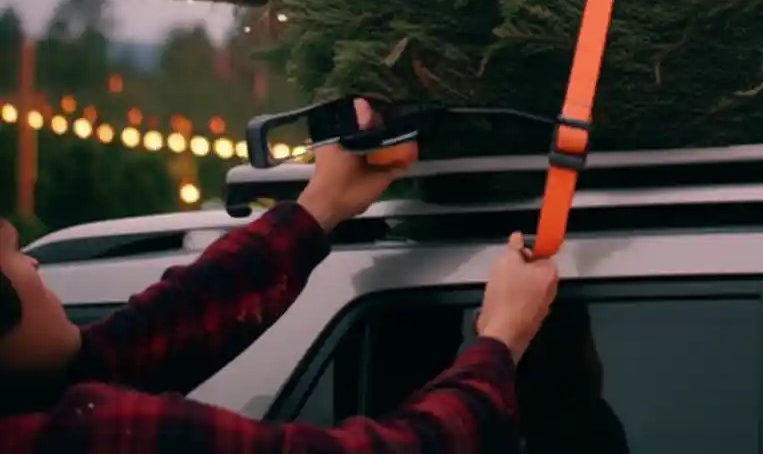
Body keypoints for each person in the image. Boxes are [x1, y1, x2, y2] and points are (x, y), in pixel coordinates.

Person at [0, 99, 559, 453]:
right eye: (11, 254)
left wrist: (320, 206)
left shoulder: (42, 397)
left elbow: (157, 332)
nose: (33, 262)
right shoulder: (83, 440)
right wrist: (500, 343)